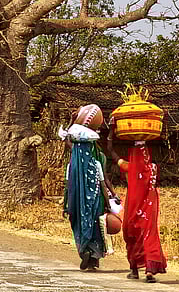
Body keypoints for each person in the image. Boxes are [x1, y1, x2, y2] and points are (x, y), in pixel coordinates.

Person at [62, 104, 109, 272]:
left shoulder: (74, 163)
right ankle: (94, 258)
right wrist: (110, 201)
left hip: (76, 199)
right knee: (96, 223)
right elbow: (104, 182)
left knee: (79, 221)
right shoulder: (98, 159)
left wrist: (65, 204)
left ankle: (84, 252)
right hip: (96, 199)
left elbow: (69, 140)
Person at [114, 138, 168, 283]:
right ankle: (150, 270)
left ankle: (134, 269)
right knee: (149, 234)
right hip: (150, 206)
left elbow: (115, 157)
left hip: (134, 206)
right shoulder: (153, 168)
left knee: (131, 234)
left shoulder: (130, 167)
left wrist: (109, 139)